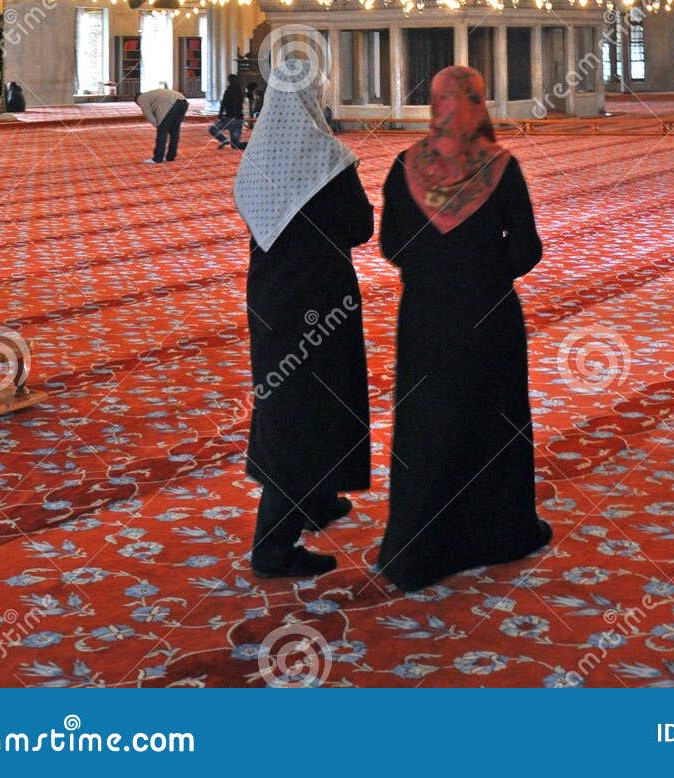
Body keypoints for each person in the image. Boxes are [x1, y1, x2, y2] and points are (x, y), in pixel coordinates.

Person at [377, 64, 550, 592]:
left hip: (425, 319)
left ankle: (418, 546)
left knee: (428, 423)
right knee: (489, 421)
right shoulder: (500, 167)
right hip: (488, 317)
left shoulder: (404, 166)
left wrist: (432, 271)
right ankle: (496, 532)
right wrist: (483, 268)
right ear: (479, 103)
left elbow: (390, 246)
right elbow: (525, 250)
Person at [235, 55, 373, 579]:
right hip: (320, 300)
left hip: (270, 297)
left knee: (292, 396)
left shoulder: (259, 156)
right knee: (308, 406)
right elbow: (359, 225)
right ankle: (272, 546)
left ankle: (316, 499)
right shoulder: (326, 156)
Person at [135, 85, 189, 163]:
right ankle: (171, 157)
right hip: (183, 102)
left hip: (170, 105)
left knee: (162, 133)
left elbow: (148, 113)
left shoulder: (141, 98)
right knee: (174, 131)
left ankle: (158, 158)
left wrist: (157, 125)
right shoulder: (150, 95)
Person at [210, 73, 246, 151]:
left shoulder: (229, 91)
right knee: (235, 145)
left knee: (213, 129)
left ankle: (224, 140)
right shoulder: (240, 92)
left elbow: (224, 103)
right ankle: (251, 145)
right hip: (239, 120)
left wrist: (220, 114)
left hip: (230, 119)